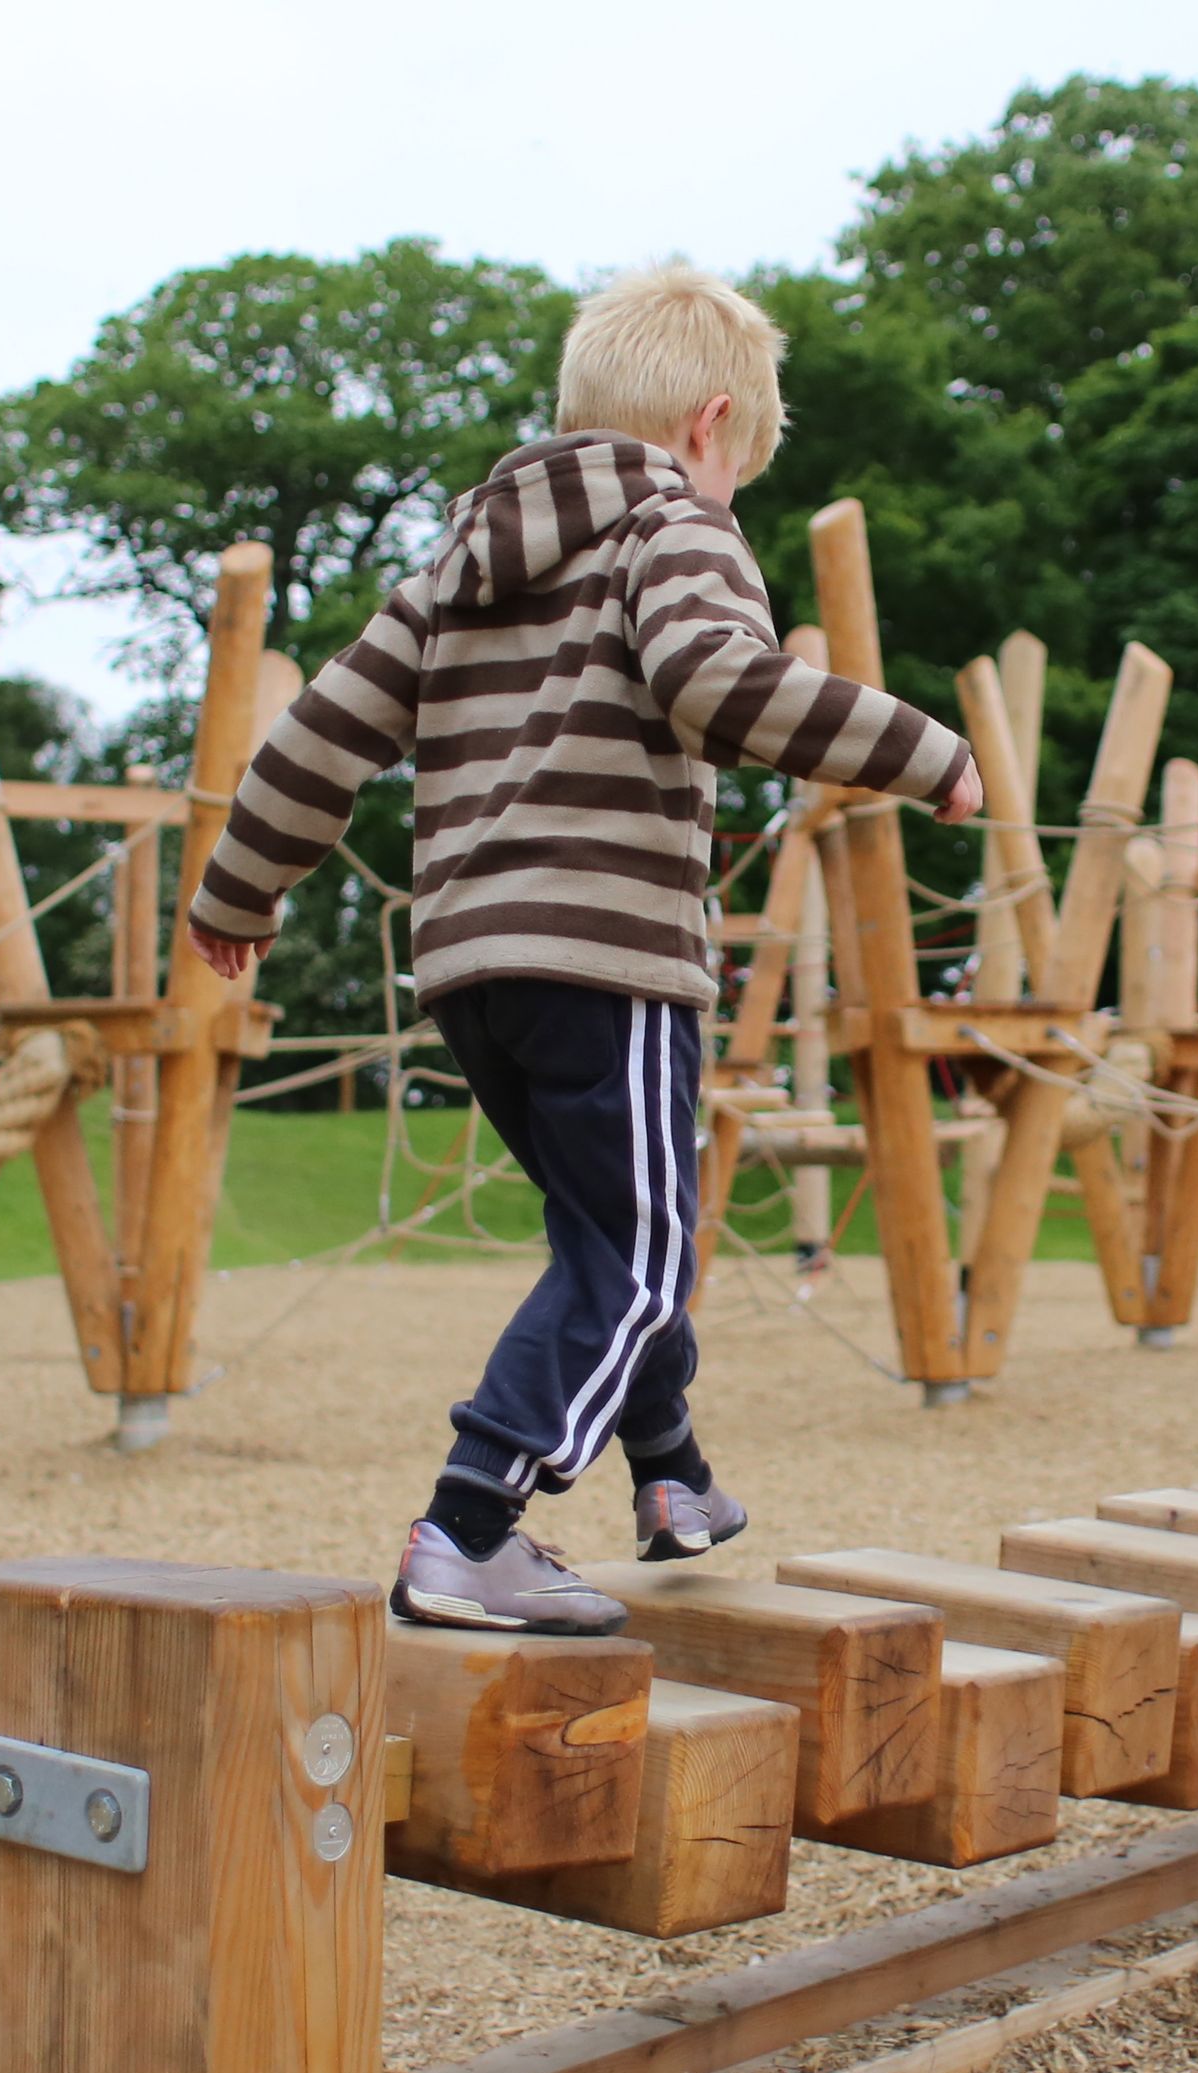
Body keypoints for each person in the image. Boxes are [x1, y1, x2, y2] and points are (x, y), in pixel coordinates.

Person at [183, 261, 979, 1634]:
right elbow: (716, 682)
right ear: (707, 427)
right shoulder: (677, 528)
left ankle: (671, 1472)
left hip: (471, 968)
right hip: (607, 954)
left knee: (605, 1232)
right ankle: (469, 1524)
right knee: (647, 1254)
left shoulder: (454, 562)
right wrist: (926, 750)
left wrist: (237, 892)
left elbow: (323, 731)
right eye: (742, 470)